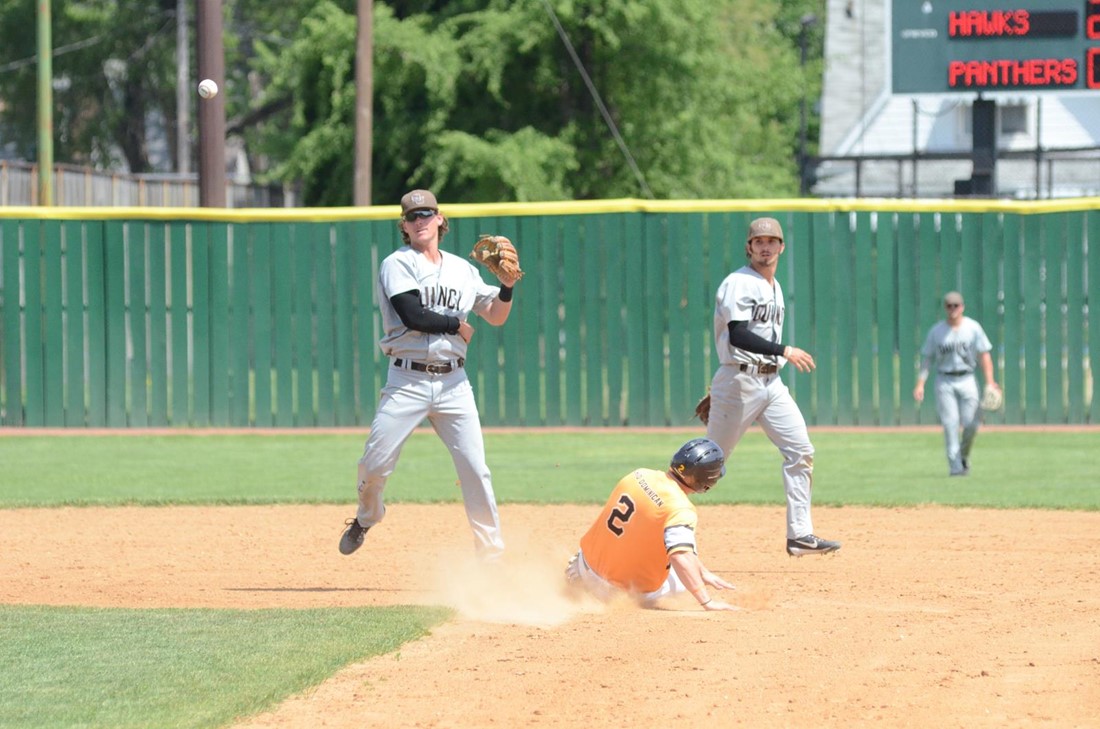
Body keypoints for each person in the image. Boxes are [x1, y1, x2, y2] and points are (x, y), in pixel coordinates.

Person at [339, 189, 520, 560]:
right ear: (404, 226)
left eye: (426, 214)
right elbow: (413, 315)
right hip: (407, 382)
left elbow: (497, 316)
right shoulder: (397, 263)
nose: (420, 221)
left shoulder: (463, 269)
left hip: (454, 383)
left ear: (440, 219)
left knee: (475, 470)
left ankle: (491, 556)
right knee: (374, 465)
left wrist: (507, 287)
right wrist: (457, 325)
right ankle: (367, 516)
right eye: (412, 216)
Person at [705, 217, 840, 557]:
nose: (766, 246)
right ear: (749, 247)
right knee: (706, 466)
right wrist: (785, 350)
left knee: (801, 452)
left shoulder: (774, 286)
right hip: (739, 382)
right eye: (759, 241)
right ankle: (653, 522)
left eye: (772, 241)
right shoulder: (739, 283)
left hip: (771, 383)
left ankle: (800, 535)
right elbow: (737, 333)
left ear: (782, 247)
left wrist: (778, 357)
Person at [565, 438, 739, 611]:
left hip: (580, 568)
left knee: (669, 540)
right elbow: (681, 557)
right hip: (614, 593)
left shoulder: (639, 474)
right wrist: (706, 602)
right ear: (707, 482)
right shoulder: (681, 509)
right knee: (683, 557)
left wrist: (703, 571)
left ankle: (581, 585)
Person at [913, 291, 999, 476]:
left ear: (962, 307)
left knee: (971, 424)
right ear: (945, 308)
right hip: (945, 380)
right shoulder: (937, 331)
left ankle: (963, 456)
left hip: (967, 378)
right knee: (950, 423)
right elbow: (927, 359)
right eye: (949, 306)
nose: (953, 309)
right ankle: (956, 469)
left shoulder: (973, 328)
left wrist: (990, 382)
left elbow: (984, 356)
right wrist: (920, 383)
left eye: (956, 305)